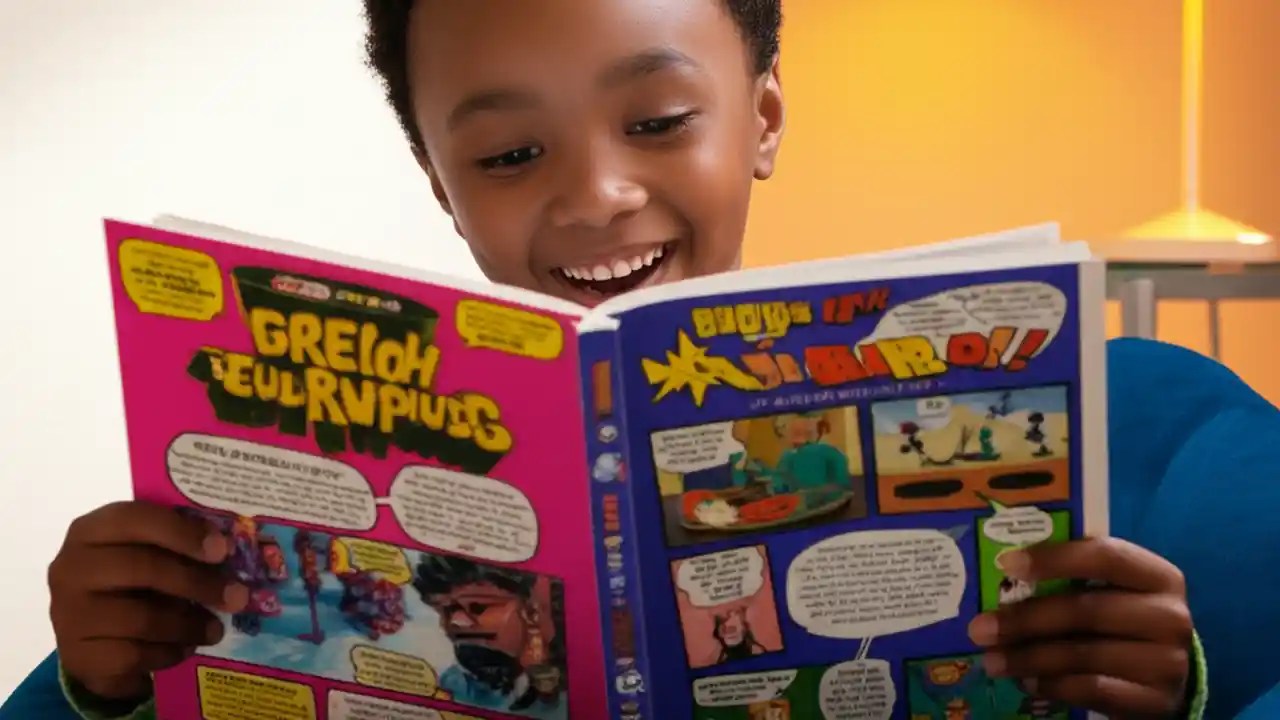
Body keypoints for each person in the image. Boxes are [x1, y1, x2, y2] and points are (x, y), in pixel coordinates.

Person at [42, 1, 1203, 718]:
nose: (595, 194)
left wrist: (1153, 689)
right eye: (508, 154)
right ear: (441, 187)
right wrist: (104, 682)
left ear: (761, 119)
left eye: (654, 123)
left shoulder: (1147, 416)